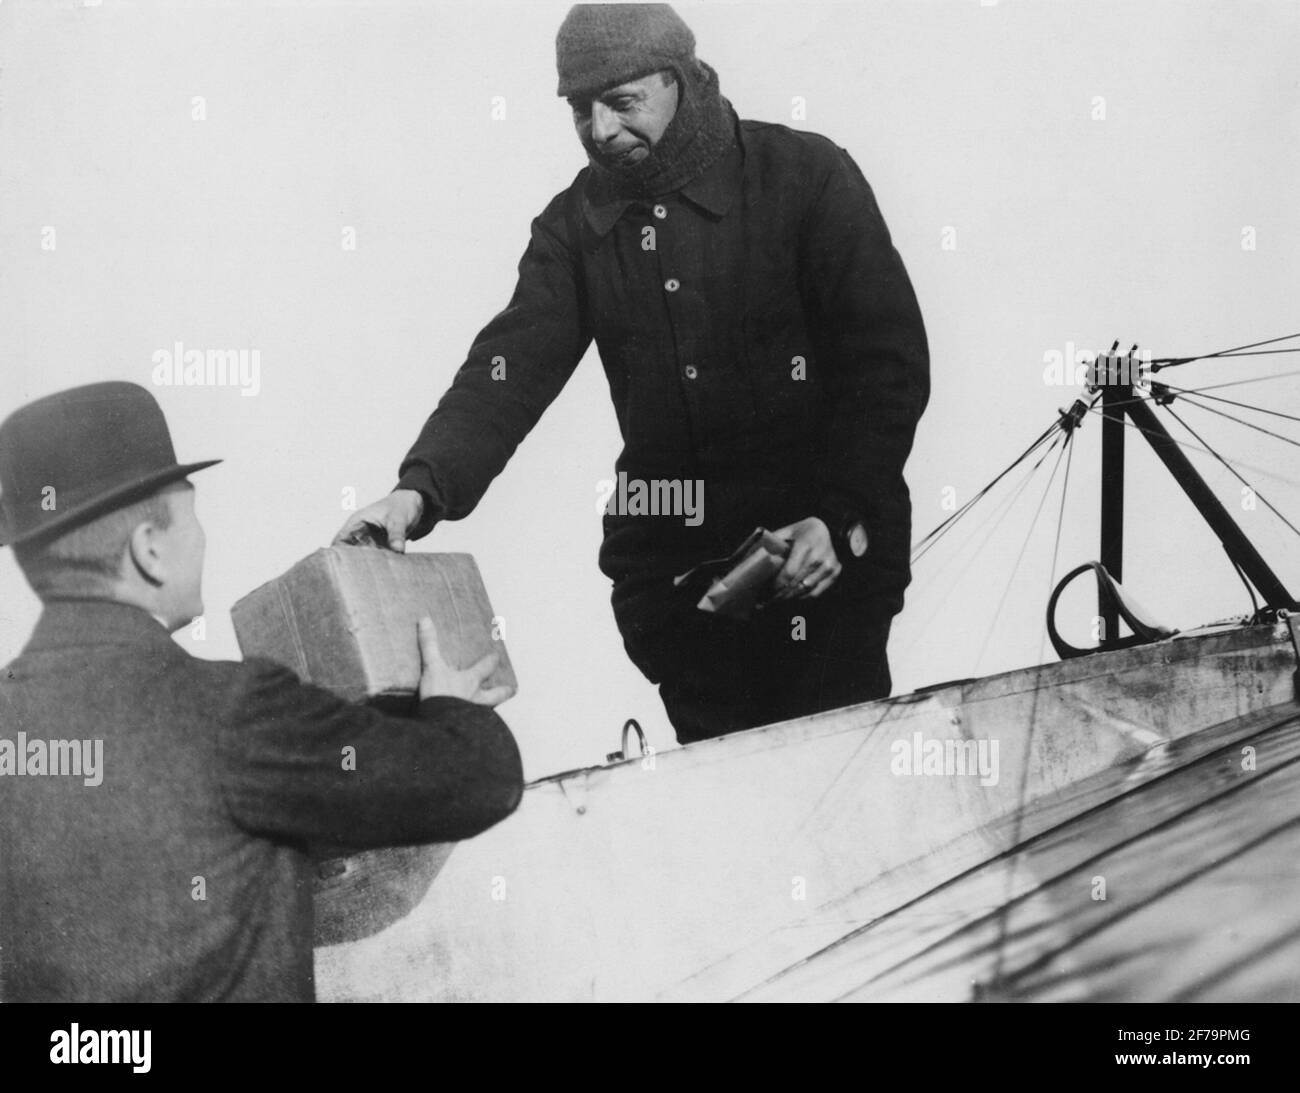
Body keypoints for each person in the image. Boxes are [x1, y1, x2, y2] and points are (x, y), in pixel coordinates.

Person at [335, 3, 929, 743]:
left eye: (621, 102)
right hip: (682, 591)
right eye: (580, 109)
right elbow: (506, 369)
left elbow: (889, 366)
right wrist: (416, 493)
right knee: (723, 808)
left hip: (827, 568)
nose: (601, 131)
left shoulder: (806, 176)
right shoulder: (572, 227)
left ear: (680, 80)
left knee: (837, 801)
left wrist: (839, 515)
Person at [0, 381, 523, 1002]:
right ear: (150, 552)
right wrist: (449, 710)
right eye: (191, 514)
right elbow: (476, 779)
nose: (202, 537)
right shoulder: (232, 712)